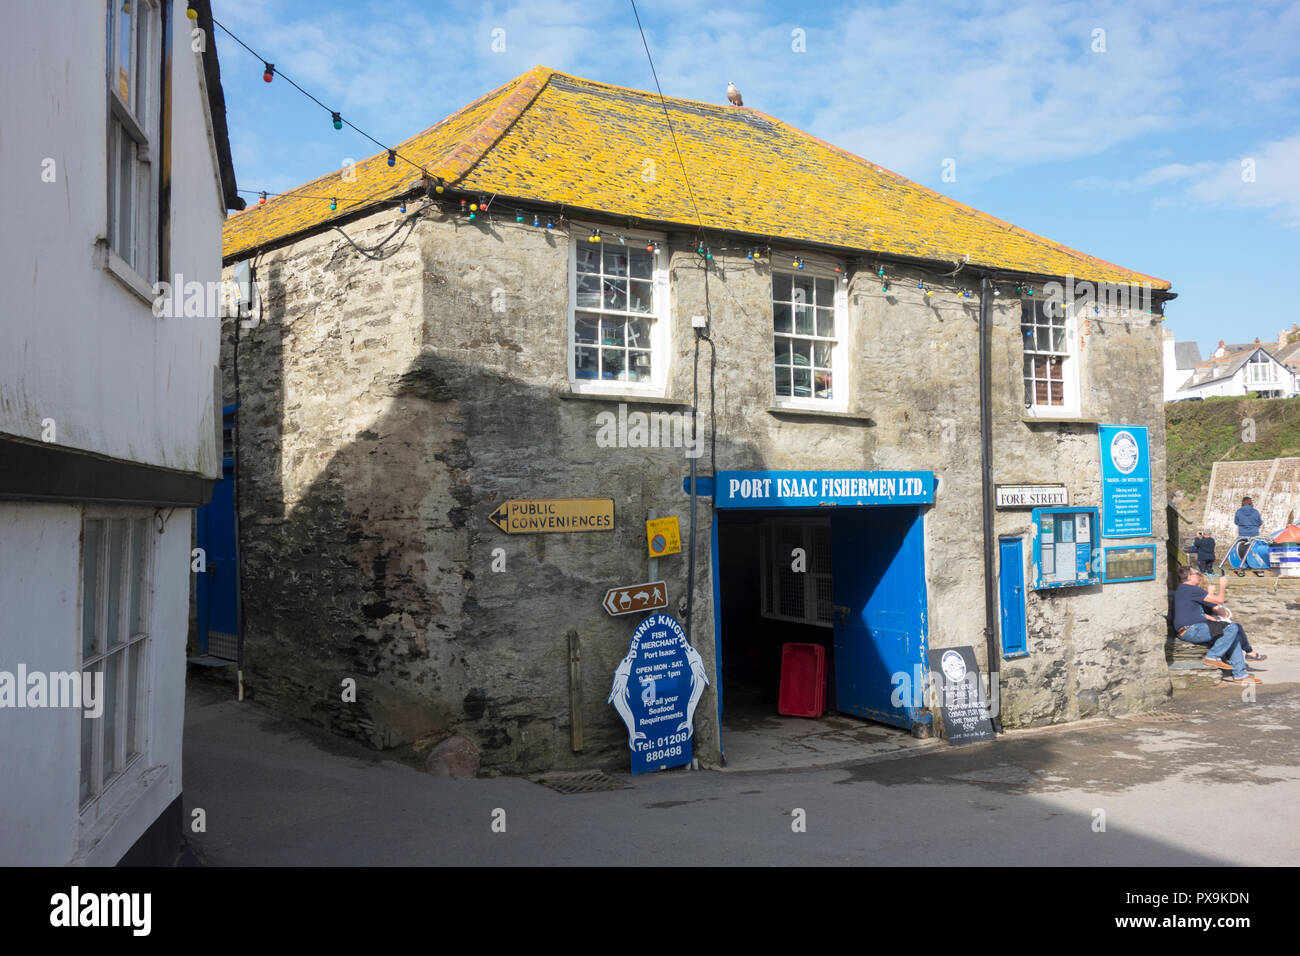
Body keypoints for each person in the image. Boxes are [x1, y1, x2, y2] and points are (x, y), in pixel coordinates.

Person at [1170, 566, 1261, 684]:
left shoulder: (1184, 589)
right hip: (1192, 630)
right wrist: (1222, 585)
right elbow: (1219, 600)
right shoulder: (1191, 589)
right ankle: (1213, 656)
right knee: (1232, 627)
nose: (1198, 574)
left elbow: (1190, 612)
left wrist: (1209, 617)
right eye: (1195, 573)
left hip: (1192, 628)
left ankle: (1240, 674)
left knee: (1235, 635)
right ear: (1189, 577)